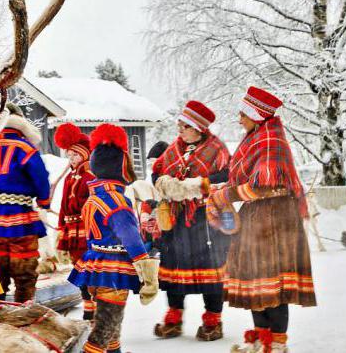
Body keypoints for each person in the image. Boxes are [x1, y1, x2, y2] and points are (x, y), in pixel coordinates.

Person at [207, 87, 316, 353]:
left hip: (276, 222)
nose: (239, 119)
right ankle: (260, 339)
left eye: (243, 114)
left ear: (257, 115)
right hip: (257, 218)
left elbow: (264, 186)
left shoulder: (271, 141)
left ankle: (276, 344)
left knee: (273, 286)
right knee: (255, 284)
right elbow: (247, 183)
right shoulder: (255, 138)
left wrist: (225, 195)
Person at [69, 123, 159, 353]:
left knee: (110, 324)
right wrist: (147, 272)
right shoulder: (118, 202)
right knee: (105, 328)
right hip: (114, 272)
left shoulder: (94, 198)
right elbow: (130, 236)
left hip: (95, 267)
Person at [151, 100, 231, 341]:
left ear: (199, 128)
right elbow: (157, 171)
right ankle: (173, 319)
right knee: (174, 269)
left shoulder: (217, 149)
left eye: (185, 126)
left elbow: (228, 174)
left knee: (210, 272)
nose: (180, 131)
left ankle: (213, 321)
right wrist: (166, 184)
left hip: (205, 220)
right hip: (177, 220)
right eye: (179, 126)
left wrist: (196, 186)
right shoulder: (173, 149)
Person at [0, 107, 51, 304]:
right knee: (24, 270)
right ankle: (24, 309)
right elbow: (40, 177)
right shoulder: (25, 149)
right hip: (21, 218)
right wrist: (43, 201)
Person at [54, 122, 95, 319]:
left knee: (87, 268)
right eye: (69, 155)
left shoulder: (90, 177)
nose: (72, 159)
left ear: (85, 155)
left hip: (85, 230)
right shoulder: (69, 178)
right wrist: (61, 229)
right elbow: (62, 206)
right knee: (78, 268)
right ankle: (88, 305)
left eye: (76, 155)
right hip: (71, 230)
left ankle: (92, 309)